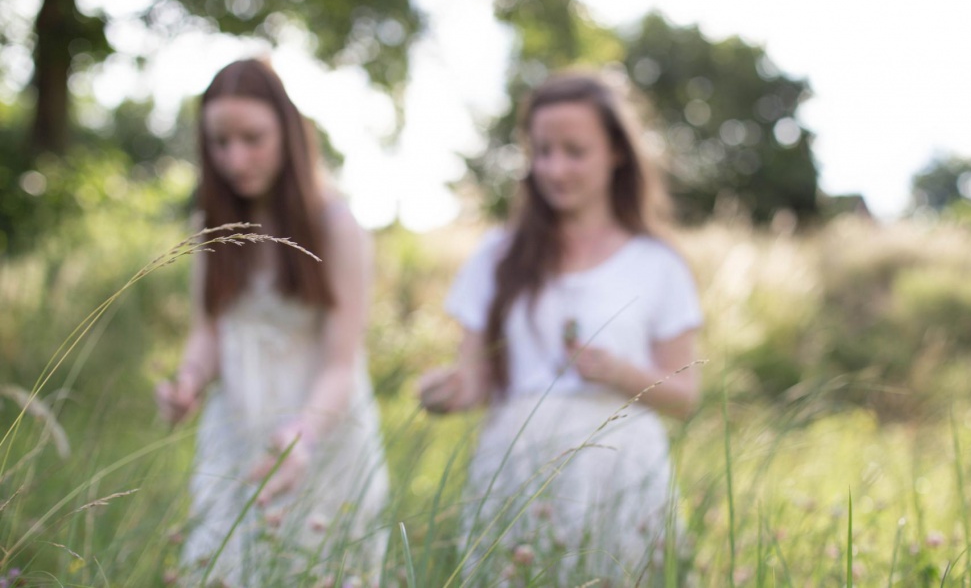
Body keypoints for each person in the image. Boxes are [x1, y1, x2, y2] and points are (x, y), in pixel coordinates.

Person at [418, 71, 704, 584]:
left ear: (615, 152)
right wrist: (446, 391)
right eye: (543, 151)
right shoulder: (497, 256)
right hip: (516, 461)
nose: (554, 168)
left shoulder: (656, 263)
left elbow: (684, 396)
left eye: (574, 151)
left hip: (619, 467)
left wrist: (618, 372)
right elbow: (476, 379)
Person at [156, 58, 388, 586]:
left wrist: (301, 436)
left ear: (288, 130)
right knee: (224, 566)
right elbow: (208, 330)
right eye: (220, 141)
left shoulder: (336, 227)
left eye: (252, 137)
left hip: (318, 427)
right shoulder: (210, 226)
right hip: (234, 425)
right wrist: (188, 382)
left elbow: (340, 362)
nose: (235, 158)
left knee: (319, 565)